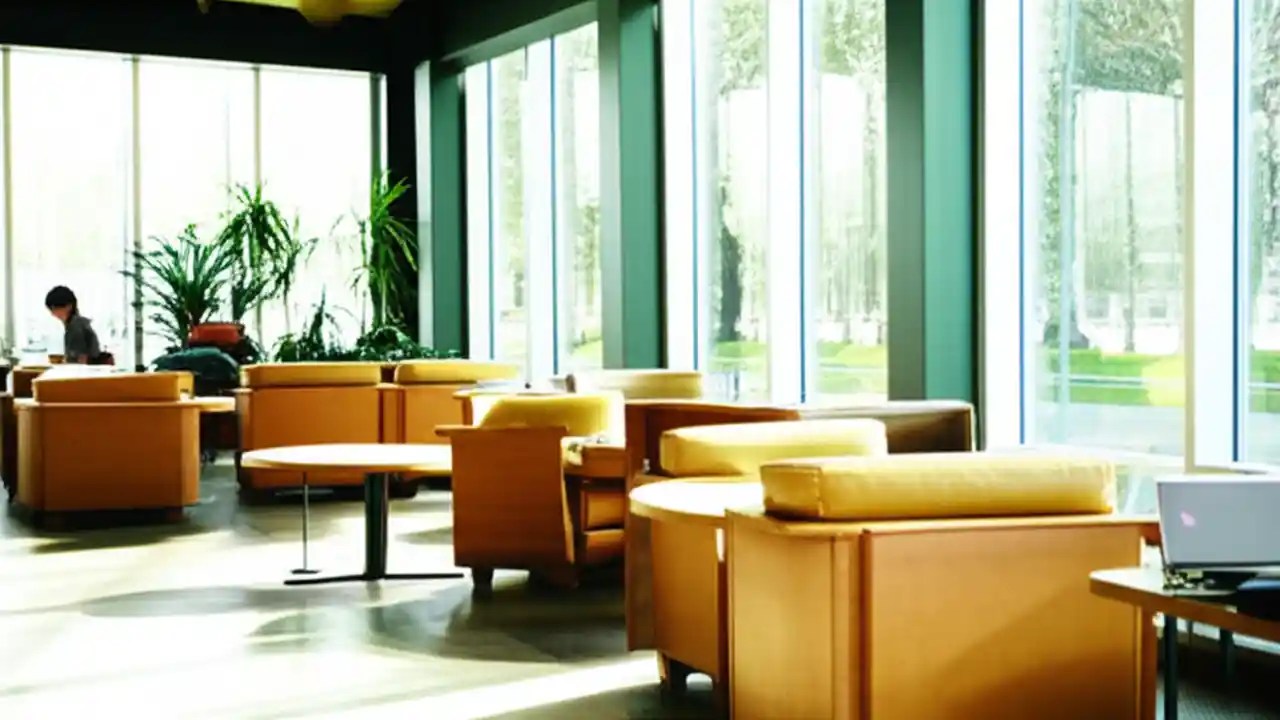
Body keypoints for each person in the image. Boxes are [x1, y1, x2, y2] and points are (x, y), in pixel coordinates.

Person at [45, 286, 102, 364]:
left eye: (55, 308)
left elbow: (81, 359)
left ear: (69, 306)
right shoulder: (78, 323)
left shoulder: (75, 326)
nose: (53, 313)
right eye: (51, 309)